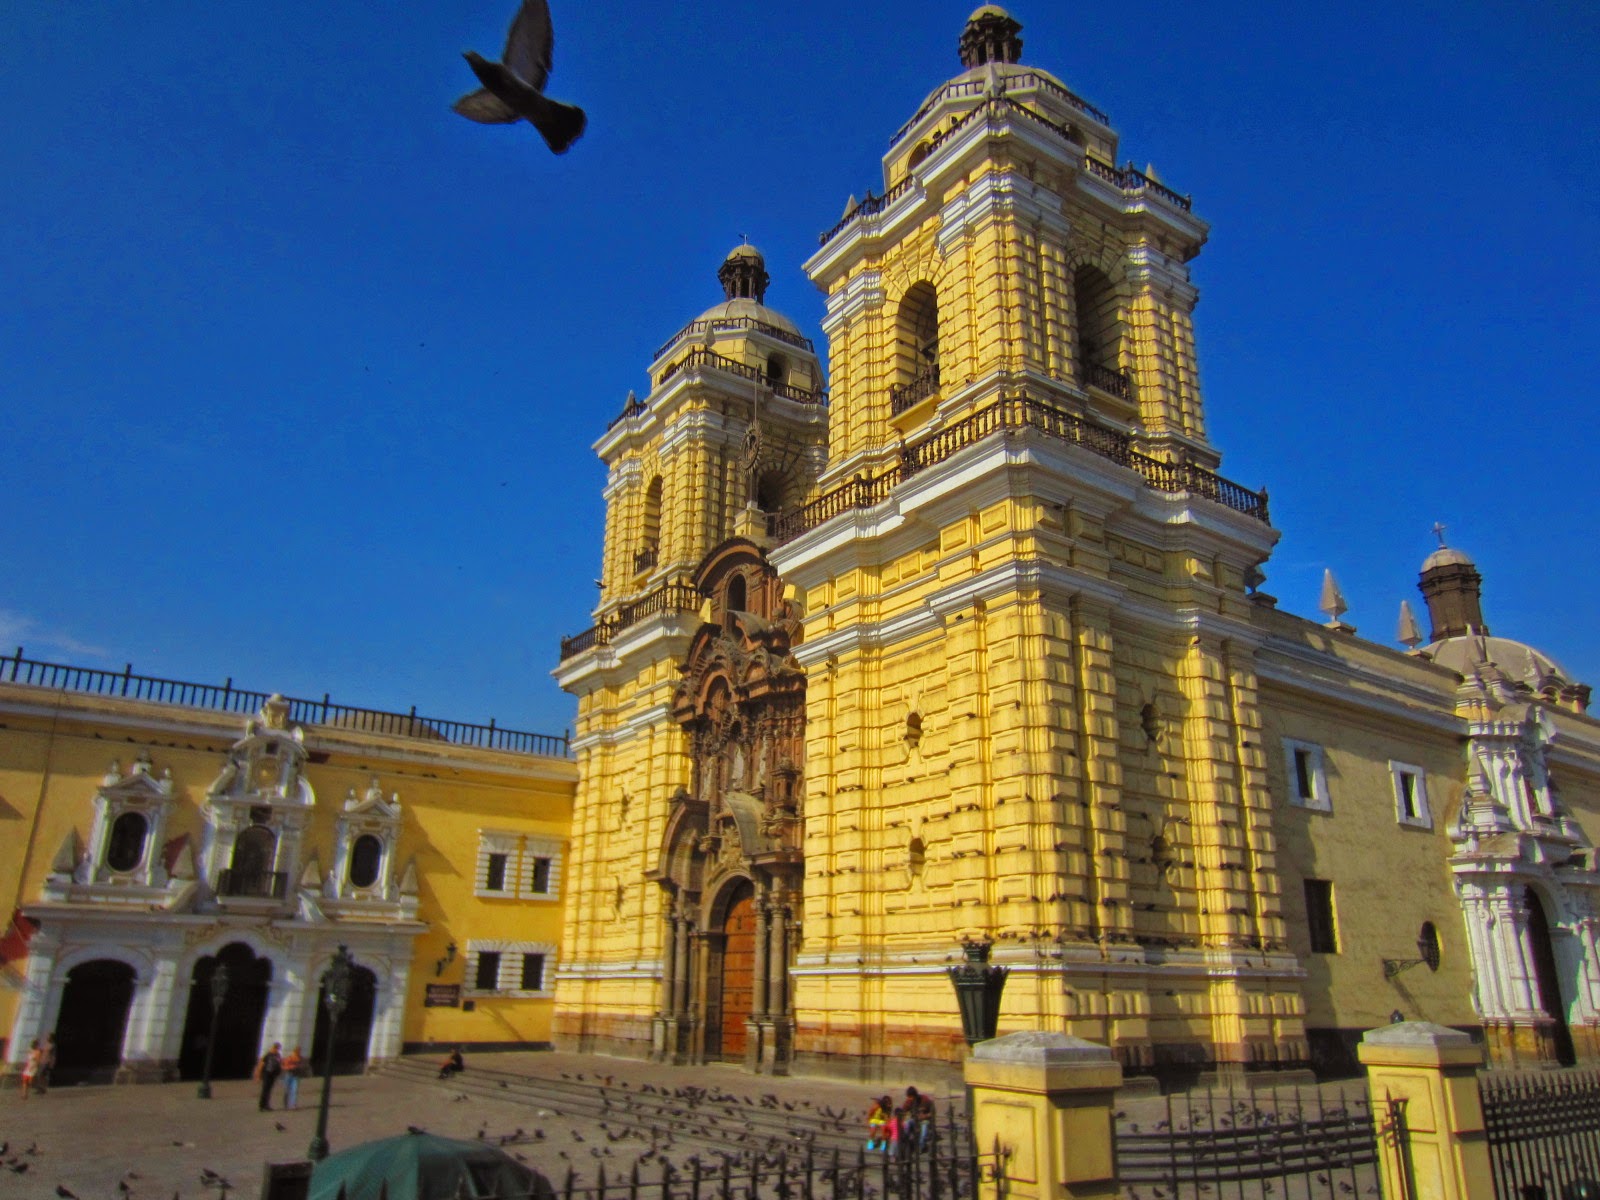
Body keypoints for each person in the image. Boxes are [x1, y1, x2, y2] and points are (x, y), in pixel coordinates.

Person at [254, 1042, 283, 1111]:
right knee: (265, 1090)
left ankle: (267, 1105)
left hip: (273, 1074)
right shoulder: (268, 1055)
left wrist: (279, 1073)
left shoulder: (278, 1055)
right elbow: (261, 1065)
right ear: (274, 1047)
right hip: (267, 1074)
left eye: (279, 1049)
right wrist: (258, 1075)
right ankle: (261, 1106)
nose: (278, 1050)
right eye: (277, 1048)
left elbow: (279, 1064)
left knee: (269, 1090)